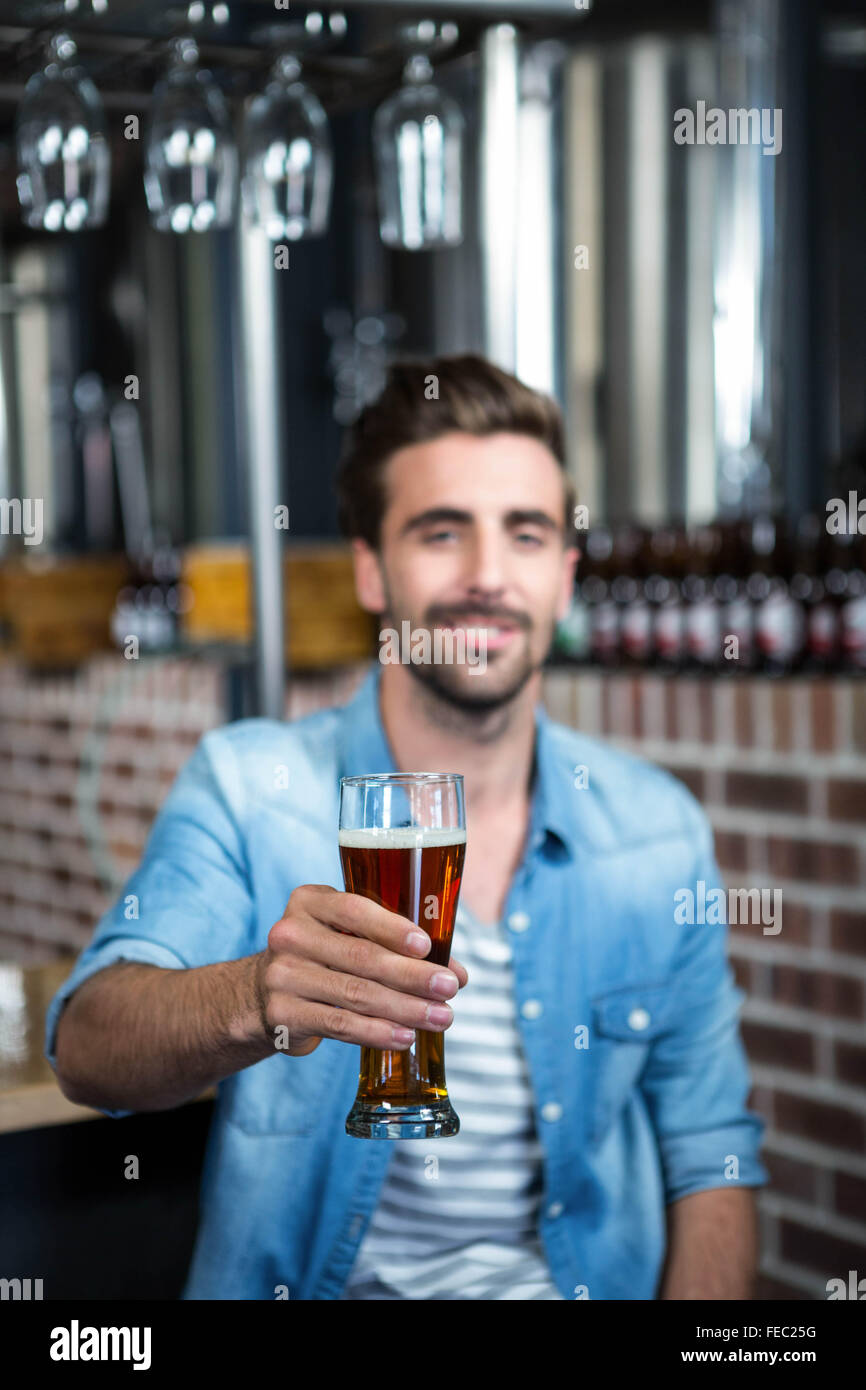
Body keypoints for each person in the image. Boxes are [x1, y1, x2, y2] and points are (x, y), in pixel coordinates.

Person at [47, 354, 767, 1300]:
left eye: (525, 534)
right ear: (370, 570)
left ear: (564, 576)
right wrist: (256, 996)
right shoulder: (250, 787)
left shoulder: (657, 833)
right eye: (441, 532)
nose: (486, 577)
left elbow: (711, 1156)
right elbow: (89, 1046)